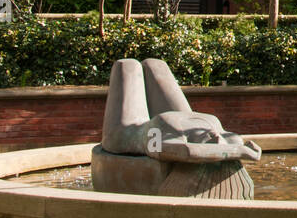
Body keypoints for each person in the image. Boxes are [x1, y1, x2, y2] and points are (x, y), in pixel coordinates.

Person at [102, 57, 260, 162]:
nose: (217, 139)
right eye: (218, 142)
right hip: (178, 118)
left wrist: (241, 152)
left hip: (122, 133)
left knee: (128, 66)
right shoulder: (217, 127)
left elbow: (182, 152)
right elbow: (244, 148)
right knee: (154, 64)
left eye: (211, 144)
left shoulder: (165, 139)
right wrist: (242, 151)